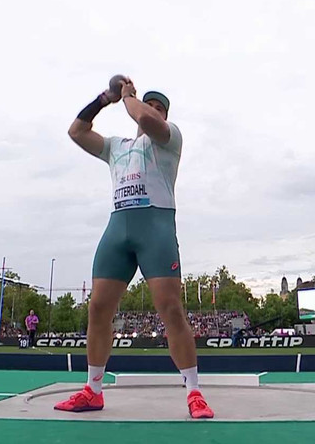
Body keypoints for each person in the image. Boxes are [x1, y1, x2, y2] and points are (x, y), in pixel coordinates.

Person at [58, 78, 214, 419]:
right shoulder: (118, 146)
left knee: (170, 308)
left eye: (158, 107)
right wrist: (105, 98)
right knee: (98, 308)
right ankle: (93, 390)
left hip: (155, 227)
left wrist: (129, 97)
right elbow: (77, 131)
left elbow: (145, 120)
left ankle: (194, 391)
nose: (152, 111)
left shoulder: (169, 138)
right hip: (119, 228)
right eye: (150, 104)